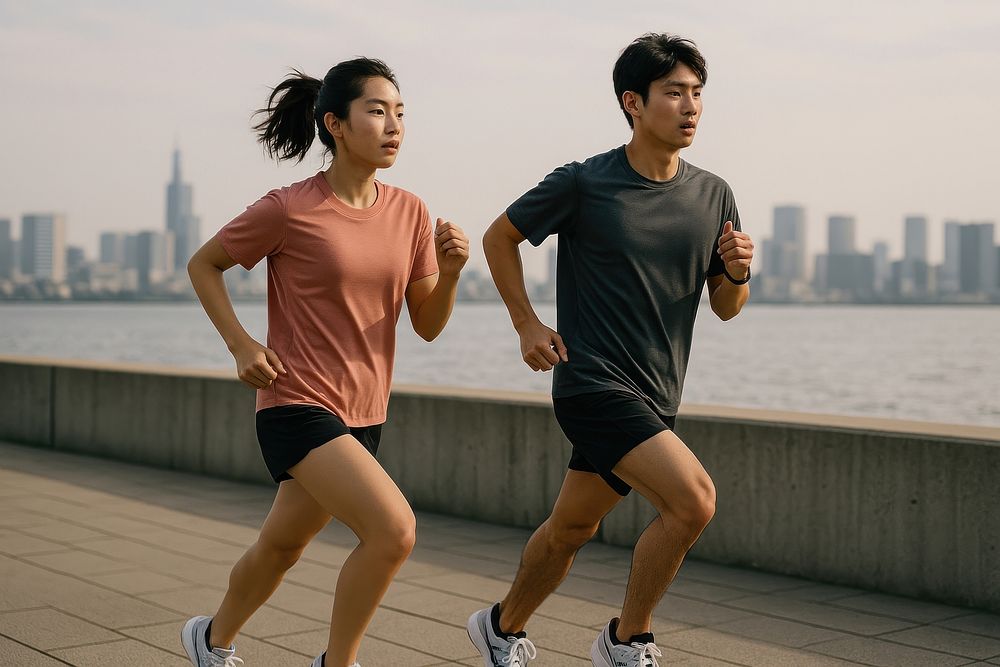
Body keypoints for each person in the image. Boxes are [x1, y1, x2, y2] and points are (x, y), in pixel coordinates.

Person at [467, 33, 754, 667]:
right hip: (591, 383)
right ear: (633, 102)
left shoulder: (715, 195)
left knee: (572, 527)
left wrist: (736, 272)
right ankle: (627, 641)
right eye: (673, 92)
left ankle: (500, 627)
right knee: (693, 501)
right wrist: (527, 324)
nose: (690, 106)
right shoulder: (584, 182)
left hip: (657, 393)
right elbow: (498, 237)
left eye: (697, 93)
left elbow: (727, 307)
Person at [181, 57, 470, 667]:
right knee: (393, 532)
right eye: (377, 111)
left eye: (400, 113)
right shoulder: (289, 208)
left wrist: (449, 274)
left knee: (282, 546)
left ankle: (210, 640)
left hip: (364, 411)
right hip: (296, 403)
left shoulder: (411, 212)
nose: (394, 126)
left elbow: (427, 324)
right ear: (335, 124)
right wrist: (241, 345)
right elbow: (204, 264)